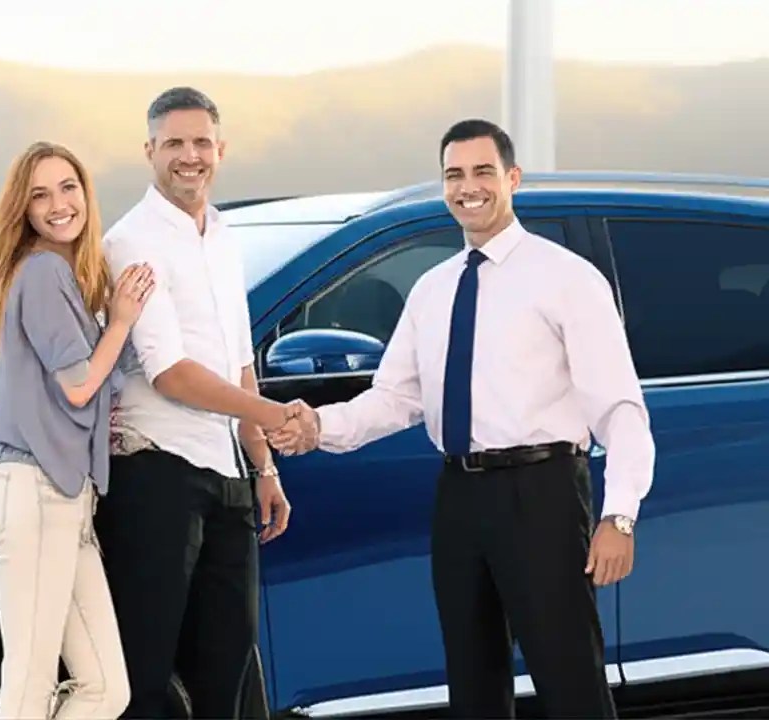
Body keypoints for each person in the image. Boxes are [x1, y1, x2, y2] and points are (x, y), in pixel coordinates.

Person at [270, 118, 655, 719]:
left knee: (569, 674)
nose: (467, 186)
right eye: (454, 174)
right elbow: (395, 397)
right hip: (458, 495)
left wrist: (621, 516)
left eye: (482, 172)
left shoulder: (566, 279)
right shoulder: (433, 289)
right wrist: (319, 427)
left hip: (543, 493)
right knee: (472, 680)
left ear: (512, 179)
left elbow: (620, 407)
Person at [93, 86, 311, 720]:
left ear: (221, 149)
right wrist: (277, 416)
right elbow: (170, 374)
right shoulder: (131, 242)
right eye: (174, 144)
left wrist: (263, 465)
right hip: (155, 477)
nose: (189, 156)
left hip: (226, 477)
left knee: (228, 666)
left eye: (201, 143)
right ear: (149, 151)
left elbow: (238, 360)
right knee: (148, 671)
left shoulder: (222, 235)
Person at [0, 140, 156, 720]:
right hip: (32, 489)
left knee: (104, 688)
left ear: (86, 193)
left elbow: (96, 382)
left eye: (68, 187)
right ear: (21, 210)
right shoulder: (44, 271)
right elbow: (78, 385)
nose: (58, 204)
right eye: (40, 194)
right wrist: (122, 321)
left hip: (66, 502)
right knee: (27, 687)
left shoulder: (68, 282)